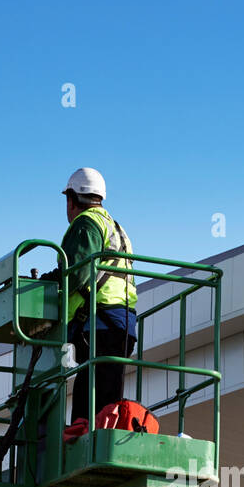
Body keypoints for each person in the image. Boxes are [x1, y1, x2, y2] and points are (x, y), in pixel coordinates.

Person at [49, 167, 137, 436]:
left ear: (71, 199)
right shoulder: (116, 228)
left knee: (88, 393)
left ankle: (82, 439)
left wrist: (52, 284)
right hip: (122, 323)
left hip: (98, 323)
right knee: (107, 392)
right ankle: (103, 438)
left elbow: (76, 274)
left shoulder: (86, 224)